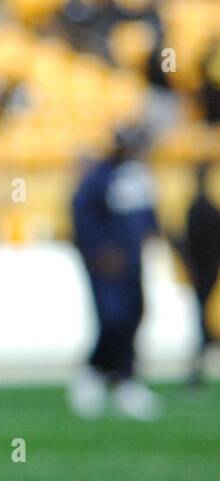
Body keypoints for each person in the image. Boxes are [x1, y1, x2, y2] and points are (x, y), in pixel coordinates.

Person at [69, 126, 160, 420]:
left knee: (135, 314)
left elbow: (147, 216)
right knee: (112, 319)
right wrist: (99, 251)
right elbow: (82, 215)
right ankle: (109, 375)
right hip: (107, 266)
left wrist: (150, 237)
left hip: (132, 262)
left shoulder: (138, 176)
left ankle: (111, 375)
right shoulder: (98, 177)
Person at [182, 163, 220, 385]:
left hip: (201, 270)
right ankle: (206, 346)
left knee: (201, 315)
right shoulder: (205, 207)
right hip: (205, 270)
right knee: (201, 316)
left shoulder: (197, 207)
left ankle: (205, 348)